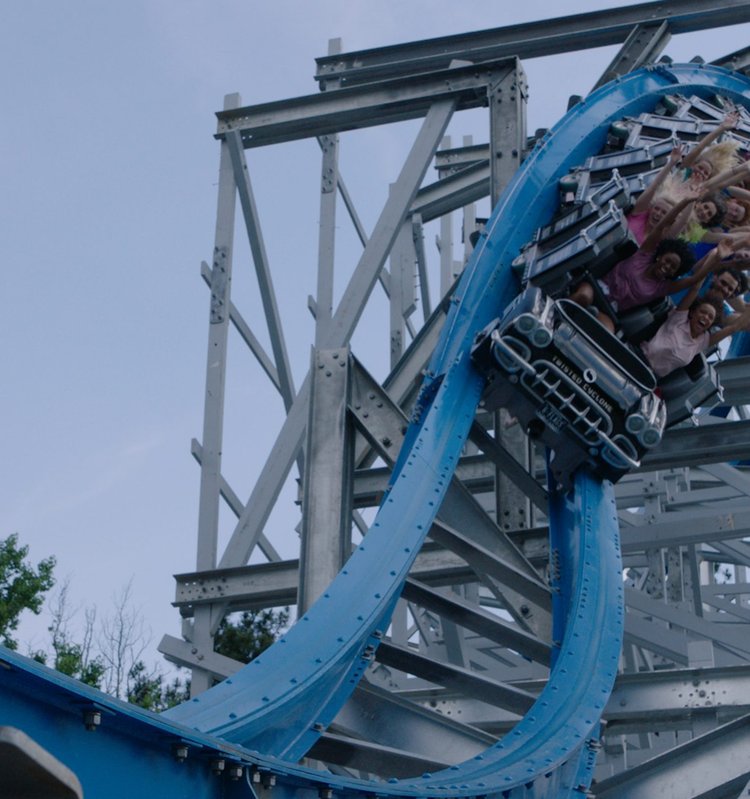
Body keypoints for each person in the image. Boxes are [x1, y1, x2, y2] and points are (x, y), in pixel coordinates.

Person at [640, 243, 750, 377]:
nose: (724, 289)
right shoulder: (698, 283)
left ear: (732, 295)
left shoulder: (704, 337)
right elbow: (698, 280)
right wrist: (723, 256)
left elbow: (737, 326)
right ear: (715, 278)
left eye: (730, 289)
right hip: (648, 313)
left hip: (652, 372)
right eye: (723, 283)